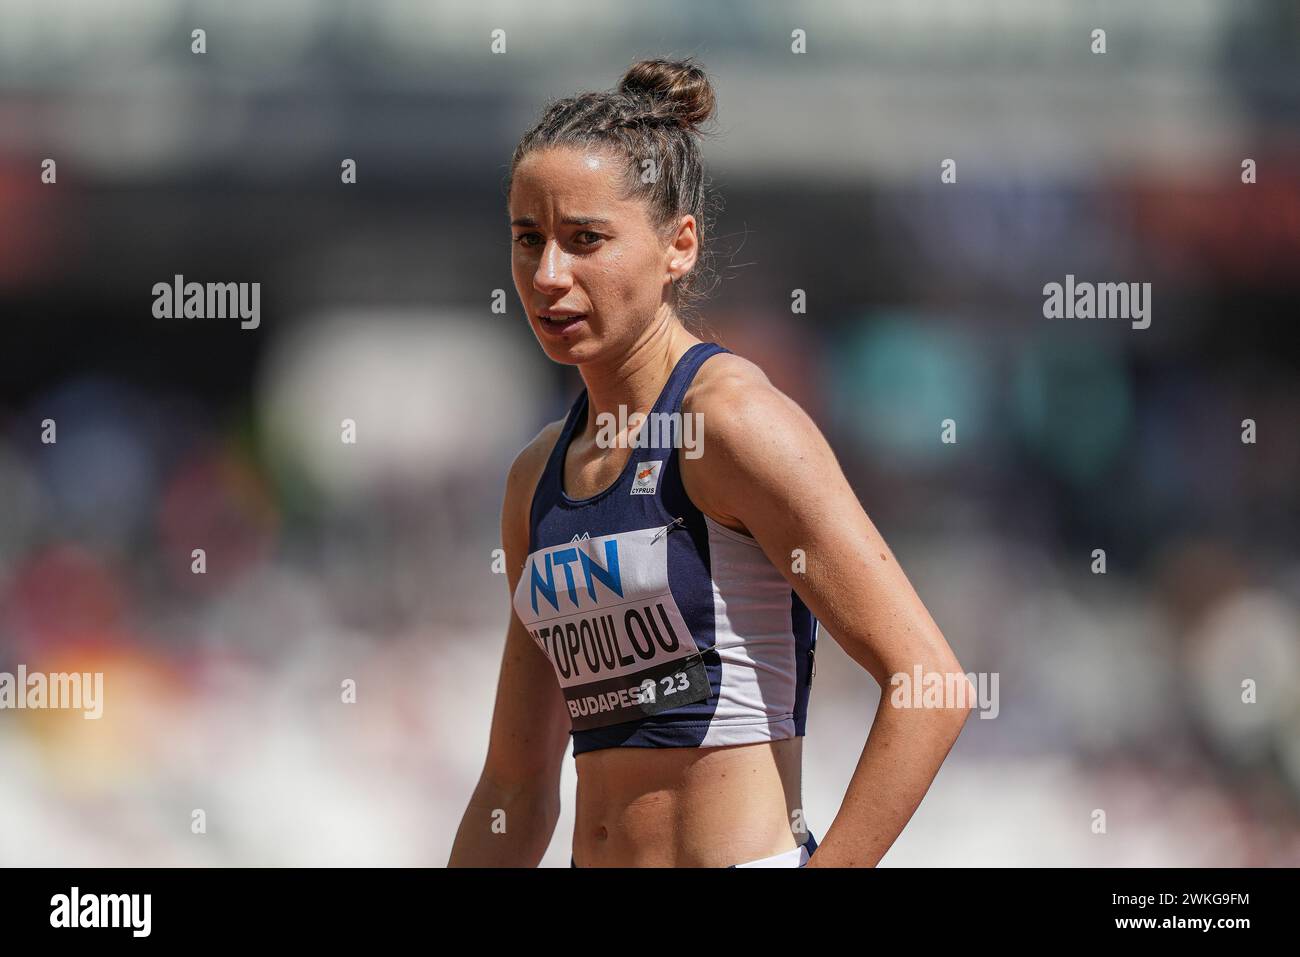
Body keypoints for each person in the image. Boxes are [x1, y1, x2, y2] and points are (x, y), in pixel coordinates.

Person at [449, 57, 971, 868]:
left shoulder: (731, 424)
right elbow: (516, 785)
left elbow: (930, 685)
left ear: (678, 246)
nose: (549, 275)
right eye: (528, 240)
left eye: (586, 239)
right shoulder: (535, 480)